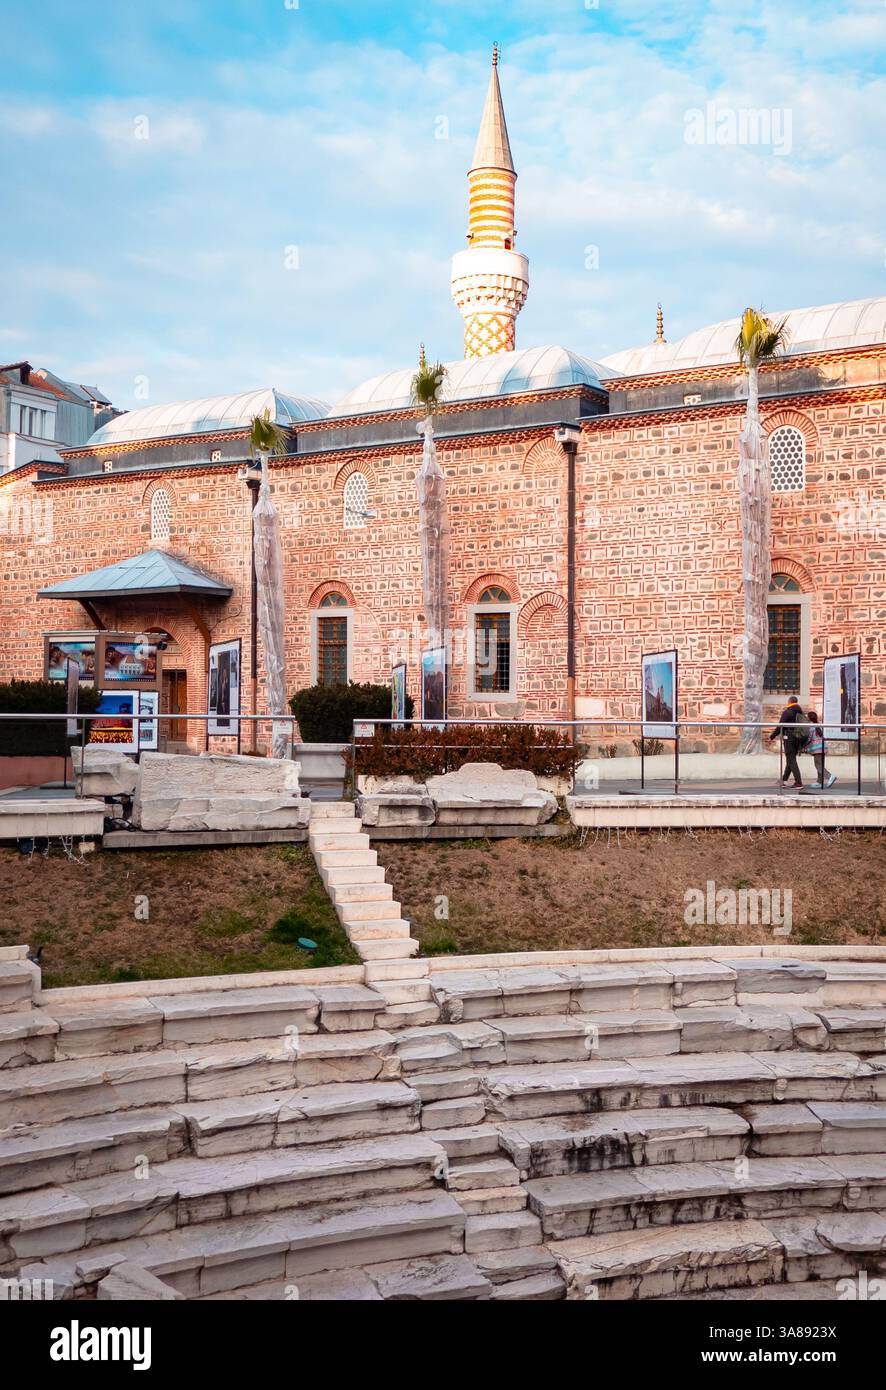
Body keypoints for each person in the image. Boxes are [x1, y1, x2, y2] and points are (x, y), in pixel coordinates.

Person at [768, 695, 807, 789]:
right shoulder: (800, 712)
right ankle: (784, 780)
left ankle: (798, 783)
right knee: (790, 759)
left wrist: (772, 736)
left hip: (789, 737)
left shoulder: (788, 712)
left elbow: (780, 726)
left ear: (789, 702)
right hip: (798, 738)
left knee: (791, 760)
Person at [805, 711, 836, 788]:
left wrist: (804, 746)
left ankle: (830, 776)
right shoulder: (819, 725)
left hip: (816, 749)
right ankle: (819, 782)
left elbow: (809, 738)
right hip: (823, 747)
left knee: (818, 765)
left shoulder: (810, 727)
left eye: (807, 716)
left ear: (809, 718)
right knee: (820, 764)